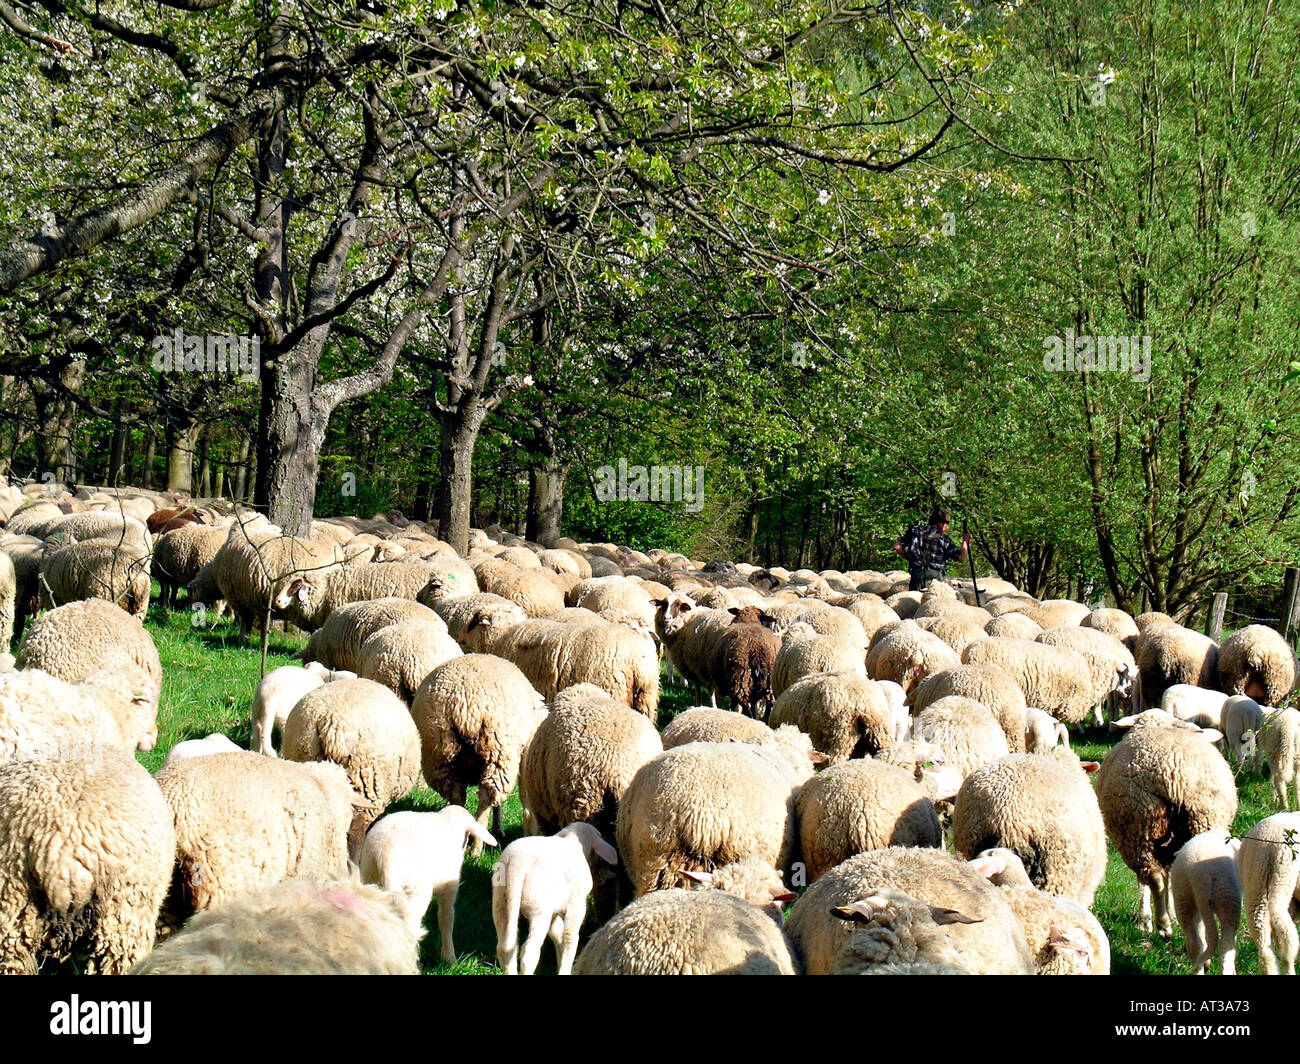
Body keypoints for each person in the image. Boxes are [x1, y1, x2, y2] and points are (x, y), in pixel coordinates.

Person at [894, 507, 970, 591]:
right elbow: (961, 558)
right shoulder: (944, 539)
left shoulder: (914, 531)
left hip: (916, 574)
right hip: (935, 576)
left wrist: (910, 558)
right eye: (947, 523)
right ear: (941, 523)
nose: (947, 527)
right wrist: (965, 541)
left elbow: (897, 547)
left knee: (915, 601)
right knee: (933, 602)